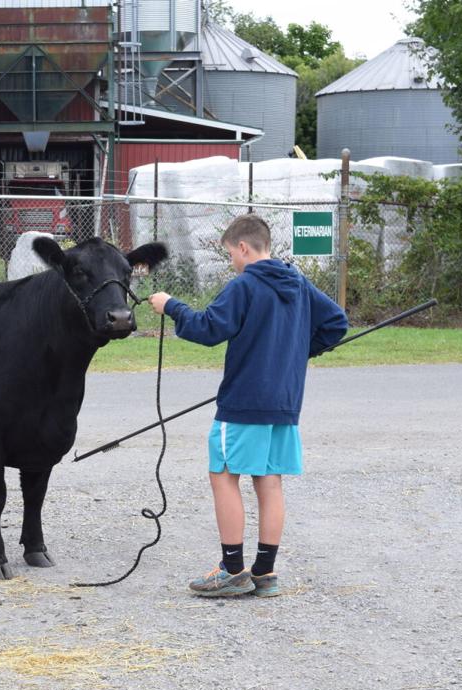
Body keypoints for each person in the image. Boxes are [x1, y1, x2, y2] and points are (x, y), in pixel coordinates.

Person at [147, 214, 347, 598]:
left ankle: (232, 569)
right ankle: (265, 573)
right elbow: (336, 323)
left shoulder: (245, 285)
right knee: (269, 480)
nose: (232, 263)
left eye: (230, 255)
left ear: (243, 247)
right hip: (284, 404)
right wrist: (295, 351)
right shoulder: (299, 283)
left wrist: (171, 306)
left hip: (244, 402)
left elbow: (207, 328)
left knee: (223, 473)